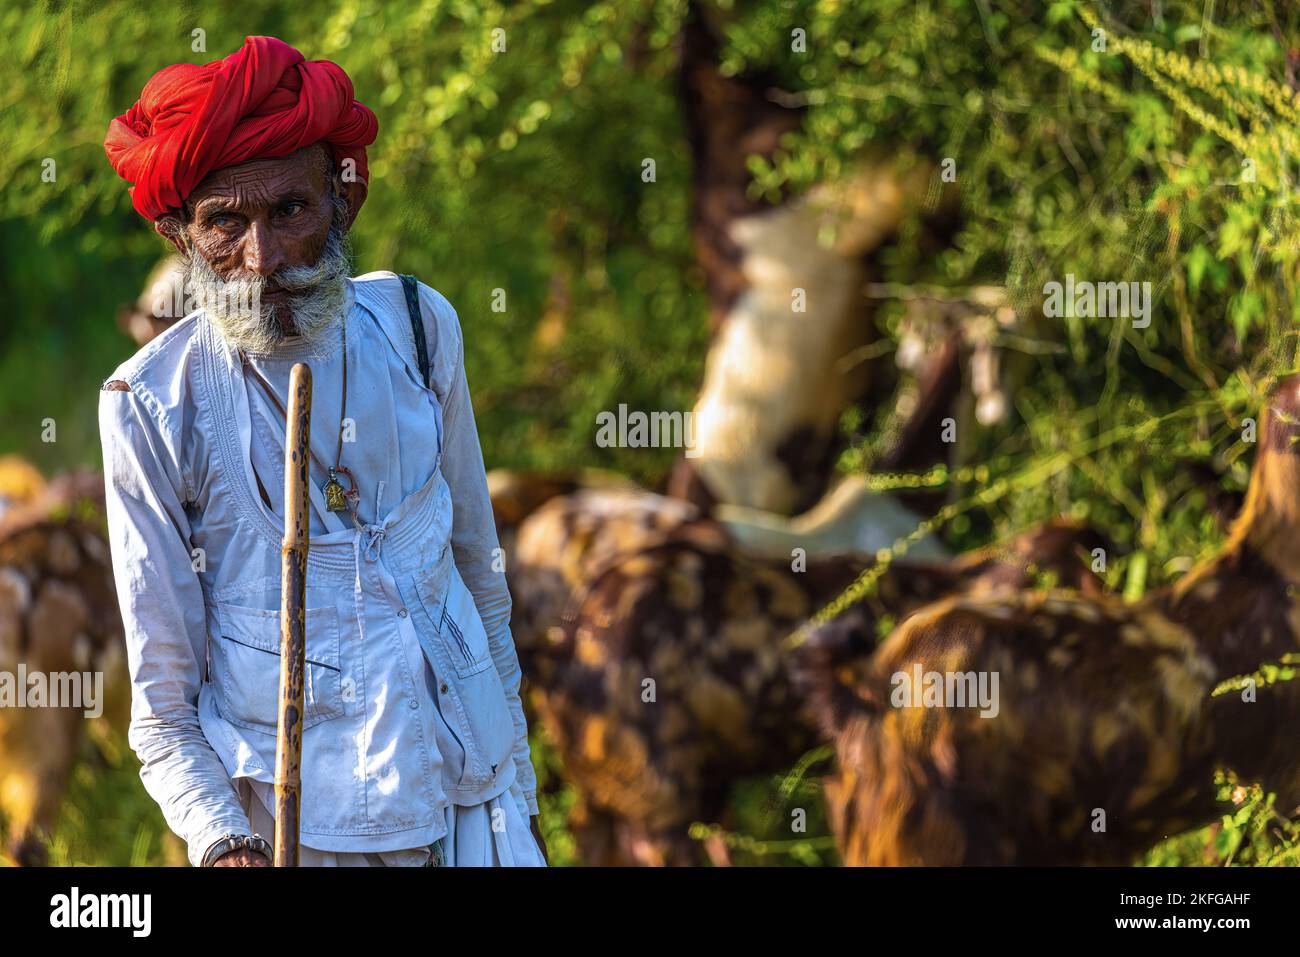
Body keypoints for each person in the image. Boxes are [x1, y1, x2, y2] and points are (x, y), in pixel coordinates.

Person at [99, 35, 546, 867]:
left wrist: (515, 789)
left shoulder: (418, 328)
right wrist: (224, 840)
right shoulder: (151, 407)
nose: (262, 261)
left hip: (473, 813)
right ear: (180, 237)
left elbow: (481, 583)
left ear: (342, 204)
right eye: (225, 223)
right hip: (295, 837)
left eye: (290, 212)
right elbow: (162, 706)